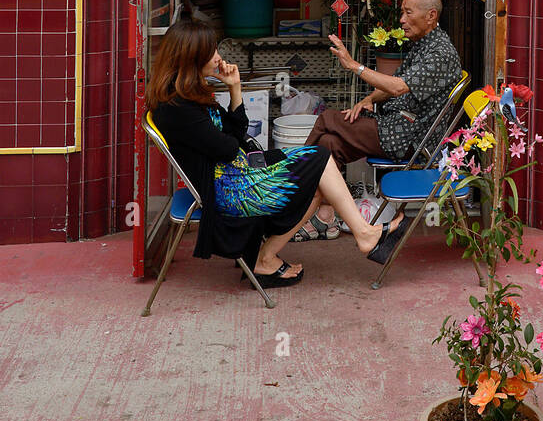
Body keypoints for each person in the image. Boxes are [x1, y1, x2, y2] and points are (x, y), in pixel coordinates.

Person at [145, 18, 409, 283]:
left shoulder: (189, 96)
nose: (218, 57)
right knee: (319, 160)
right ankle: (361, 235)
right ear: (191, 59)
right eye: (210, 52)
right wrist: (231, 137)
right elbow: (228, 147)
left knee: (319, 166)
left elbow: (235, 135)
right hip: (231, 190)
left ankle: (269, 257)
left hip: (237, 171)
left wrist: (234, 88)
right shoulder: (178, 109)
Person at [305, 0, 462, 228]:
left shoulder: (441, 53)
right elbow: (396, 83)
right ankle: (324, 217)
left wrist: (354, 66)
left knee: (328, 119)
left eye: (408, 13)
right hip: (398, 125)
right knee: (328, 145)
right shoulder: (424, 44)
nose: (402, 20)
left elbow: (399, 87)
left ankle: (290, 186)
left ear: (431, 15)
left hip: (410, 138)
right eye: (402, 13)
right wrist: (370, 99)